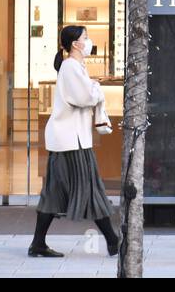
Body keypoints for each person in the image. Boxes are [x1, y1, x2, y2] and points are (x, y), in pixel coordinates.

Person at [29, 25, 120, 258]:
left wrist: (93, 87)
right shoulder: (70, 67)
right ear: (74, 44)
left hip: (69, 140)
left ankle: (38, 244)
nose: (89, 41)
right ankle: (112, 240)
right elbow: (84, 97)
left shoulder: (74, 66)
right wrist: (98, 89)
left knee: (55, 192)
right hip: (72, 141)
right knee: (89, 188)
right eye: (85, 38)